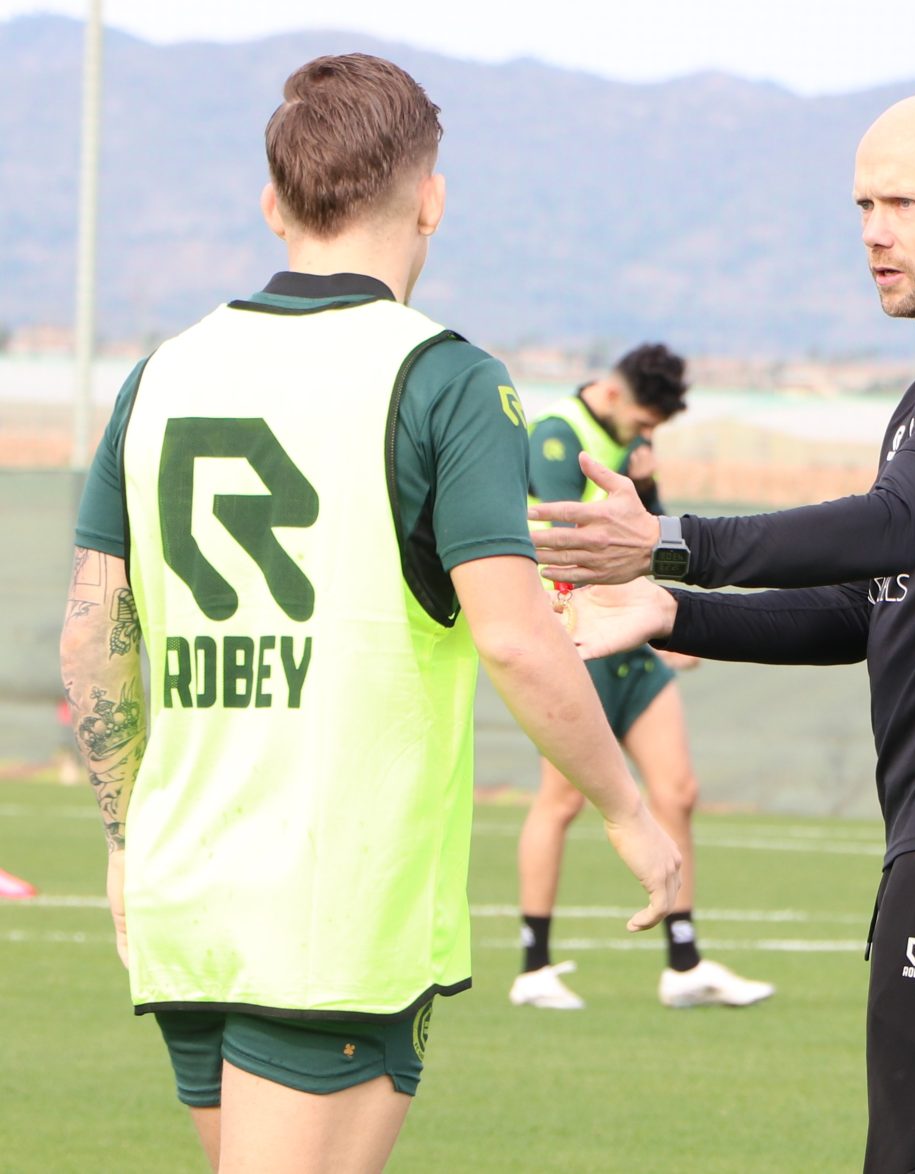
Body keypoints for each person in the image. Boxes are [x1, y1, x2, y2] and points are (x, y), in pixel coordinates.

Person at [57, 54, 679, 1174]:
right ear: (432, 196)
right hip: (331, 908)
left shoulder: (160, 376)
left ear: (272, 202)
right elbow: (513, 633)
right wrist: (631, 814)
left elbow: (91, 635)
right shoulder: (446, 379)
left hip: (185, 891)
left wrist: (123, 838)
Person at [534, 86, 915, 1173]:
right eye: (863, 203)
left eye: (904, 201)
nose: (874, 230)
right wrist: (674, 605)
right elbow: (875, 606)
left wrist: (673, 542)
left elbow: (893, 525)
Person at [512, 345, 774, 1010]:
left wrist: (663, 622)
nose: (647, 434)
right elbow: (567, 538)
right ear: (614, 396)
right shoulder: (558, 435)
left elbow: (636, 540)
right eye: (645, 421)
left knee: (678, 791)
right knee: (562, 801)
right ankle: (534, 966)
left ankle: (684, 964)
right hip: (574, 640)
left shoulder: (629, 448)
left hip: (628, 638)